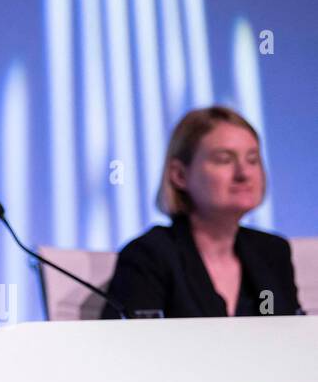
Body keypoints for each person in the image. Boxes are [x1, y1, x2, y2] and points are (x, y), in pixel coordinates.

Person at [104, 106, 302, 319]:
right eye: (224, 159)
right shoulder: (149, 257)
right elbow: (130, 347)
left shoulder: (272, 253)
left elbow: (289, 335)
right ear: (179, 175)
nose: (244, 173)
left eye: (252, 160)